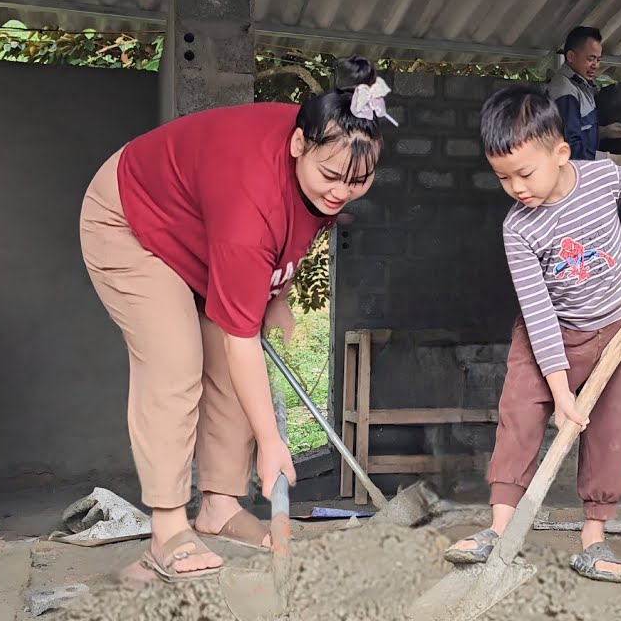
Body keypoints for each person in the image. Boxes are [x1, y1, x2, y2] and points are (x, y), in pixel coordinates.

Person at [79, 57, 394, 582]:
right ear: (298, 146)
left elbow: (301, 222)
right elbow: (242, 328)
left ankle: (219, 508)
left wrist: (280, 293)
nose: (340, 190)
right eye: (332, 176)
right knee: (176, 362)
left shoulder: (328, 148)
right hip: (130, 220)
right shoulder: (249, 197)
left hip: (197, 236)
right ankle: (168, 528)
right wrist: (272, 444)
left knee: (226, 370)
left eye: (358, 182)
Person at [442, 86, 621, 583]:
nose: (516, 187)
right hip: (547, 338)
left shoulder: (605, 179)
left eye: (525, 173)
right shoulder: (518, 228)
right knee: (518, 418)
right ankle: (500, 530)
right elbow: (538, 310)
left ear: (561, 152)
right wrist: (560, 389)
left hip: (614, 330)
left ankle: (593, 538)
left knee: (612, 431)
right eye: (503, 177)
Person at [547, 25, 621, 170]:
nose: (595, 65)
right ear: (571, 57)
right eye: (590, 59)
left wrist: (603, 132)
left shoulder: (580, 85)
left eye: (598, 59)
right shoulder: (565, 91)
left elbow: (576, 128)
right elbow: (570, 148)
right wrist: (611, 159)